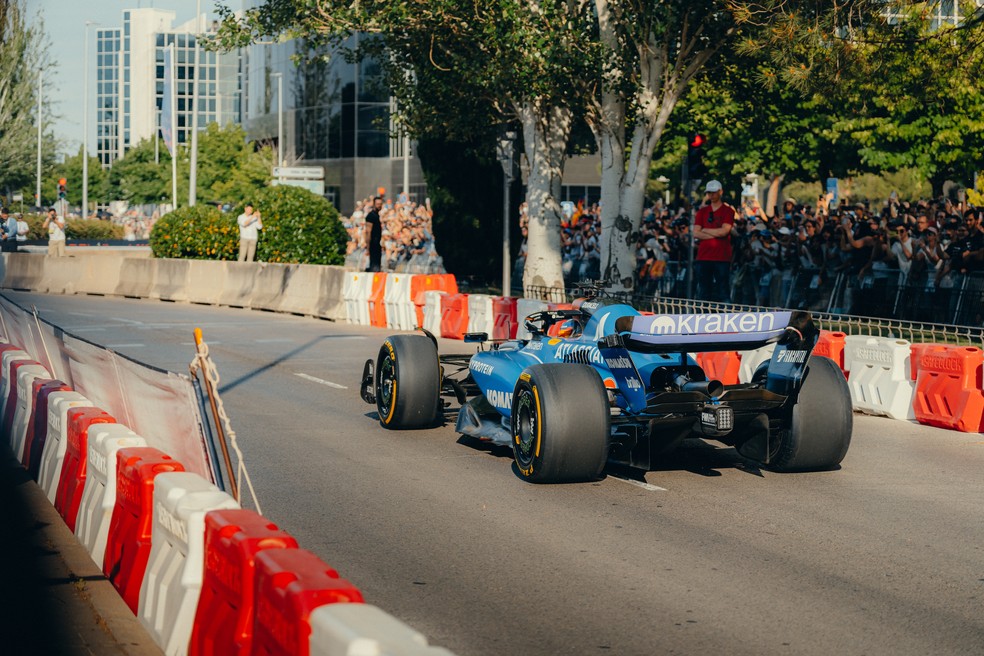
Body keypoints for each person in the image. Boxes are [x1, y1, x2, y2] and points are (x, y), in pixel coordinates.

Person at [693, 180, 735, 302]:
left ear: (720, 192)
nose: (711, 195)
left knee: (723, 291)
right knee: (704, 292)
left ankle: (725, 313)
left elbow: (724, 231)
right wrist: (716, 234)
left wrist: (705, 230)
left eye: (714, 192)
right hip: (703, 257)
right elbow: (696, 233)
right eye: (709, 193)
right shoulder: (702, 212)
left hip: (722, 257)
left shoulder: (728, 211)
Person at [363, 196, 384, 272]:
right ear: (374, 204)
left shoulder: (377, 216)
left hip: (377, 243)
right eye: (378, 204)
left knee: (377, 265)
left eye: (380, 204)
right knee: (374, 267)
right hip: (373, 243)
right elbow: (368, 232)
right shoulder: (371, 216)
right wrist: (368, 247)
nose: (379, 206)